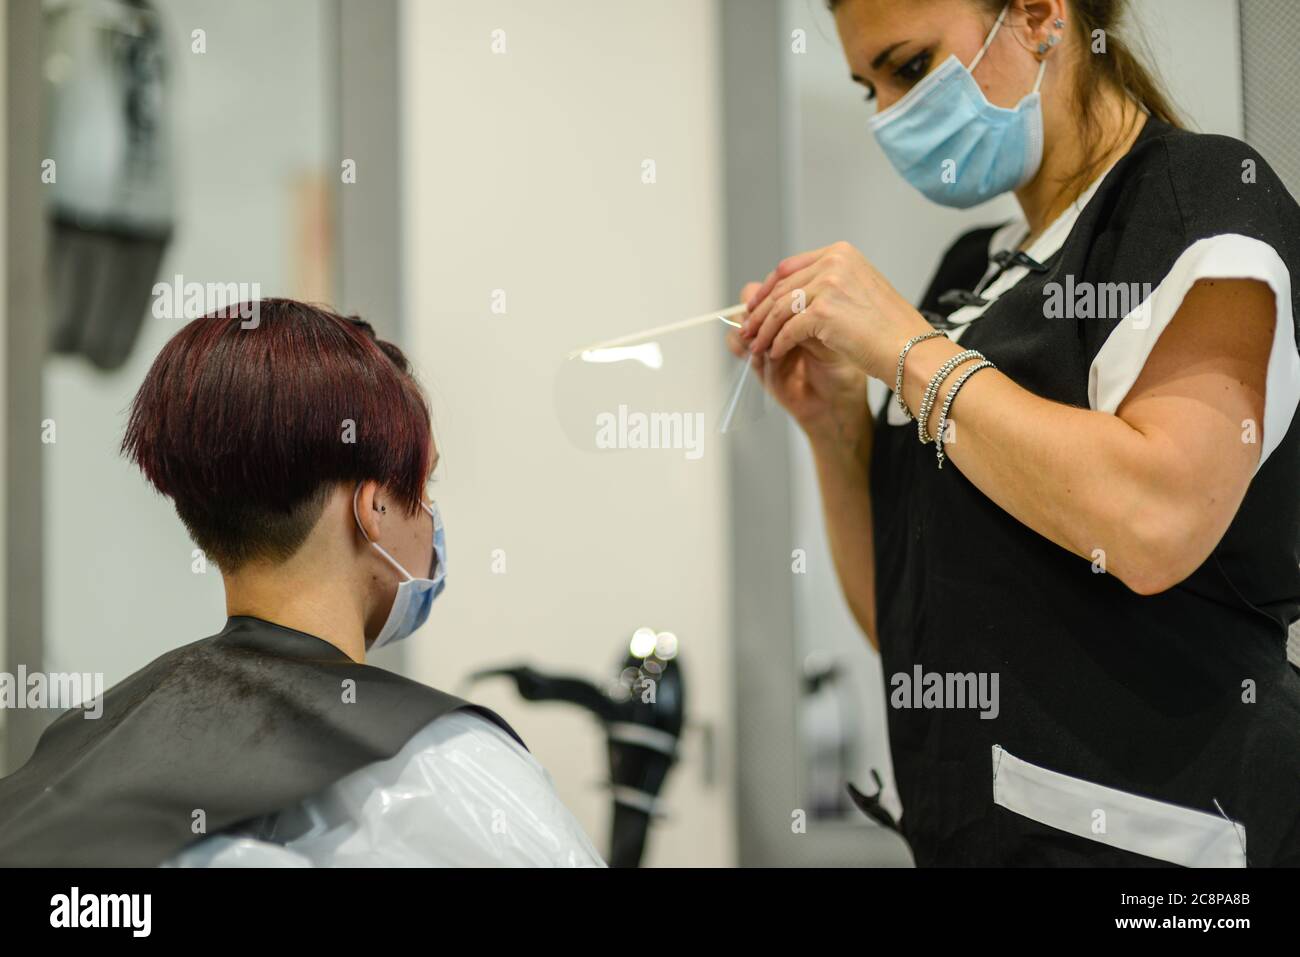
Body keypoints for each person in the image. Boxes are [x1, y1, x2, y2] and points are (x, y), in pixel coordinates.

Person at [733, 0, 1300, 866]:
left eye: (910, 67)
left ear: (1038, 15)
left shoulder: (1199, 197)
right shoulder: (971, 274)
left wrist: (908, 350)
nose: (889, 115)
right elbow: (910, 621)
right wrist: (834, 424)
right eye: (867, 87)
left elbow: (1155, 523)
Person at [0, 299, 604, 867]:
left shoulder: (74, 748)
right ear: (373, 509)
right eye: (426, 487)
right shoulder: (437, 764)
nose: (431, 519)